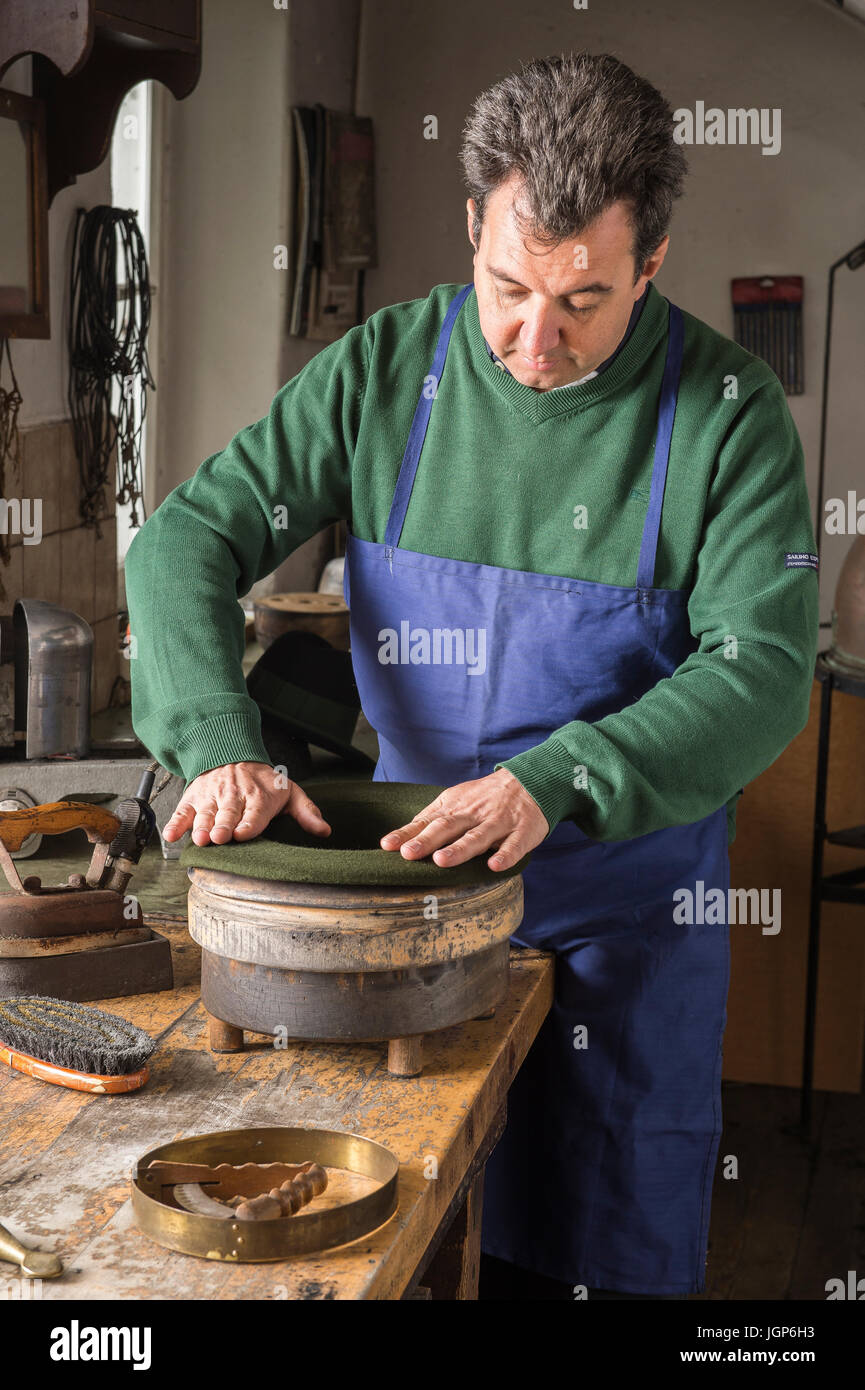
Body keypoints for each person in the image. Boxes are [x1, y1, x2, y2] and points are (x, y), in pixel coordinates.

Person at [125, 52, 819, 1298]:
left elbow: (762, 668)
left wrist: (558, 778)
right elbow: (184, 539)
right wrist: (217, 738)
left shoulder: (728, 410)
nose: (533, 343)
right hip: (405, 923)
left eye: (583, 301)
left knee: (601, 1256)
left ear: (650, 264)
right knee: (394, 1235)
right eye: (506, 289)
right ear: (471, 227)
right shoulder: (386, 371)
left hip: (627, 933)